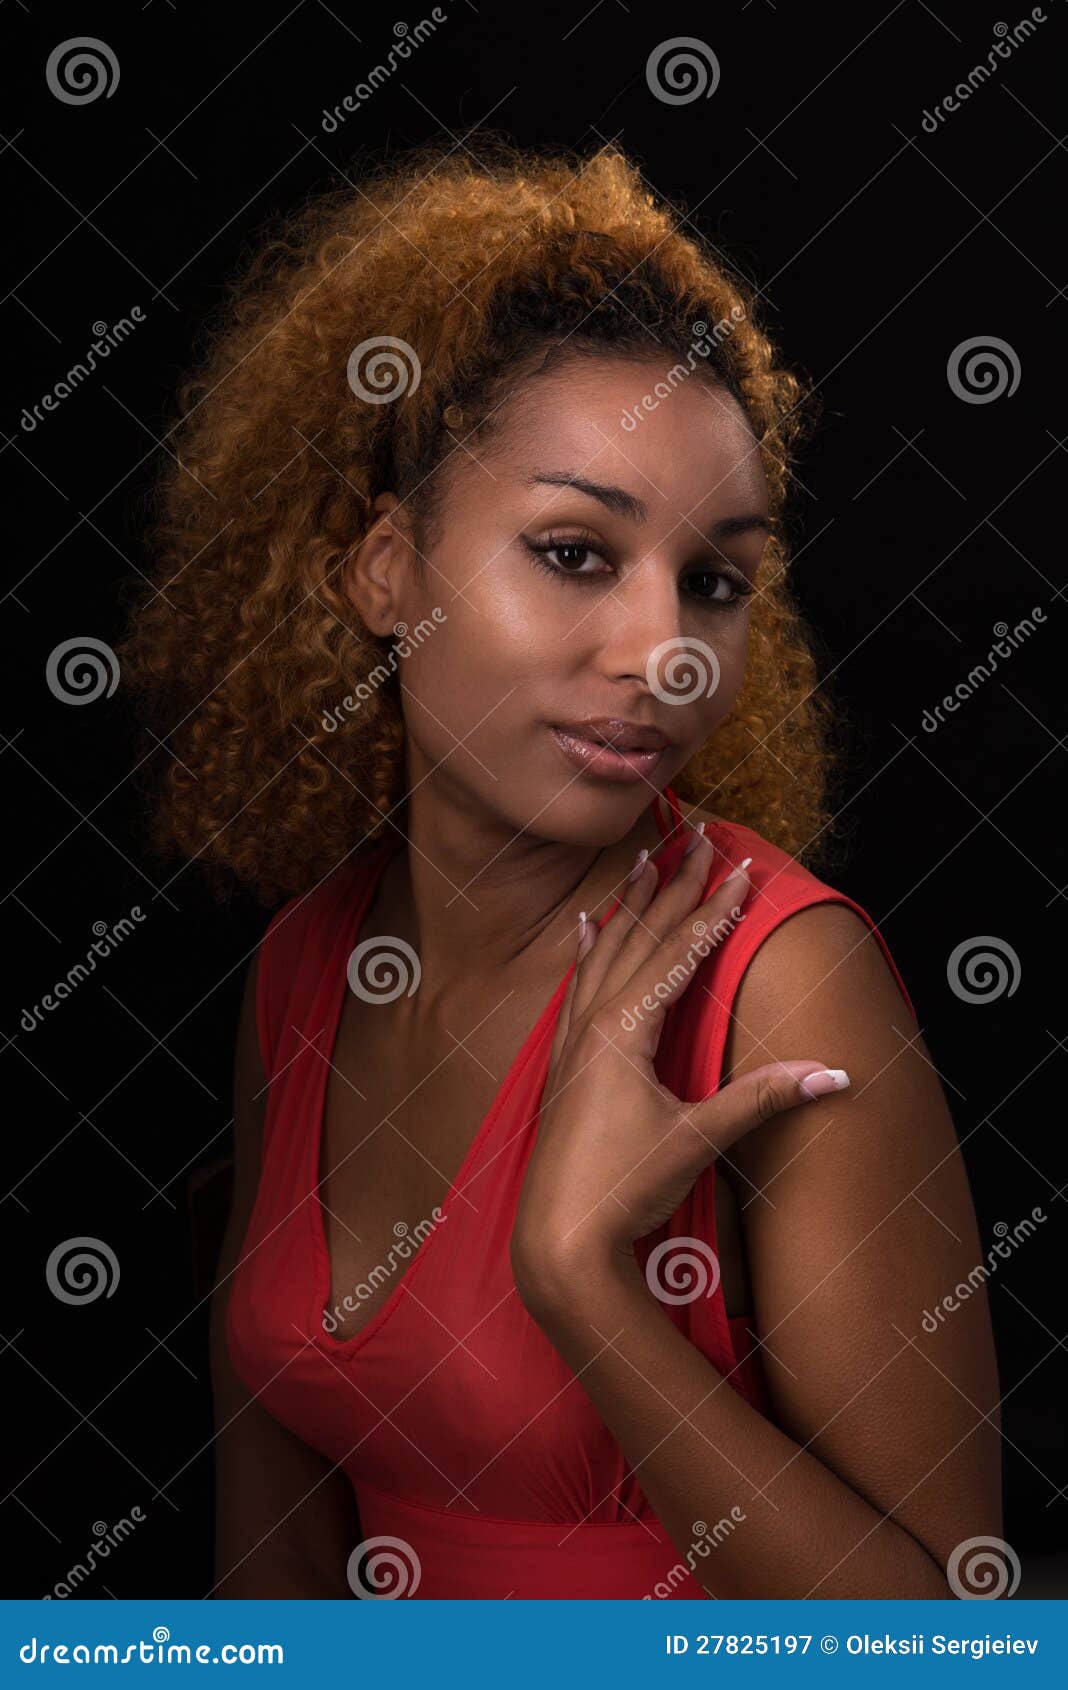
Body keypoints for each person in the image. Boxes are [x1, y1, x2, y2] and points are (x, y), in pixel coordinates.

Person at [121, 137, 1001, 1599]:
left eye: (714, 581)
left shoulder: (779, 986)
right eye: (576, 552)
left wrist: (584, 1280)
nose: (664, 649)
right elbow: (271, 1588)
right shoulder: (304, 971)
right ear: (385, 568)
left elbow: (934, 1636)